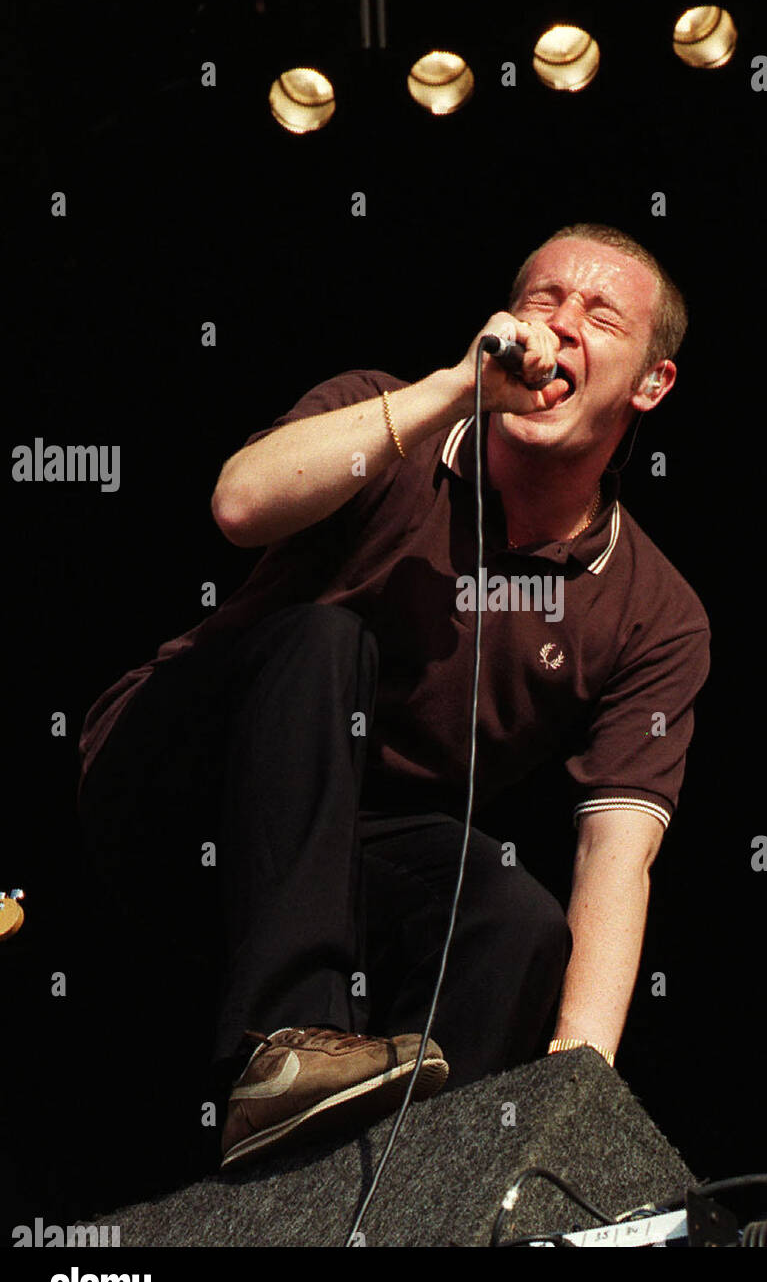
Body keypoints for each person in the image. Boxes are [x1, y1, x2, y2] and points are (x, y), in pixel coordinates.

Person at [76, 223, 710, 1175]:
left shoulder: (654, 612)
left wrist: (581, 1076)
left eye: (599, 314)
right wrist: (455, 388)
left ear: (651, 384)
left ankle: (416, 1193)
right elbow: (240, 504)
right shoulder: (392, 415)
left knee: (517, 920)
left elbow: (615, 854)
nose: (559, 324)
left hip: (348, 853)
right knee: (328, 638)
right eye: (541, 299)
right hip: (178, 778)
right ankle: (292, 1037)